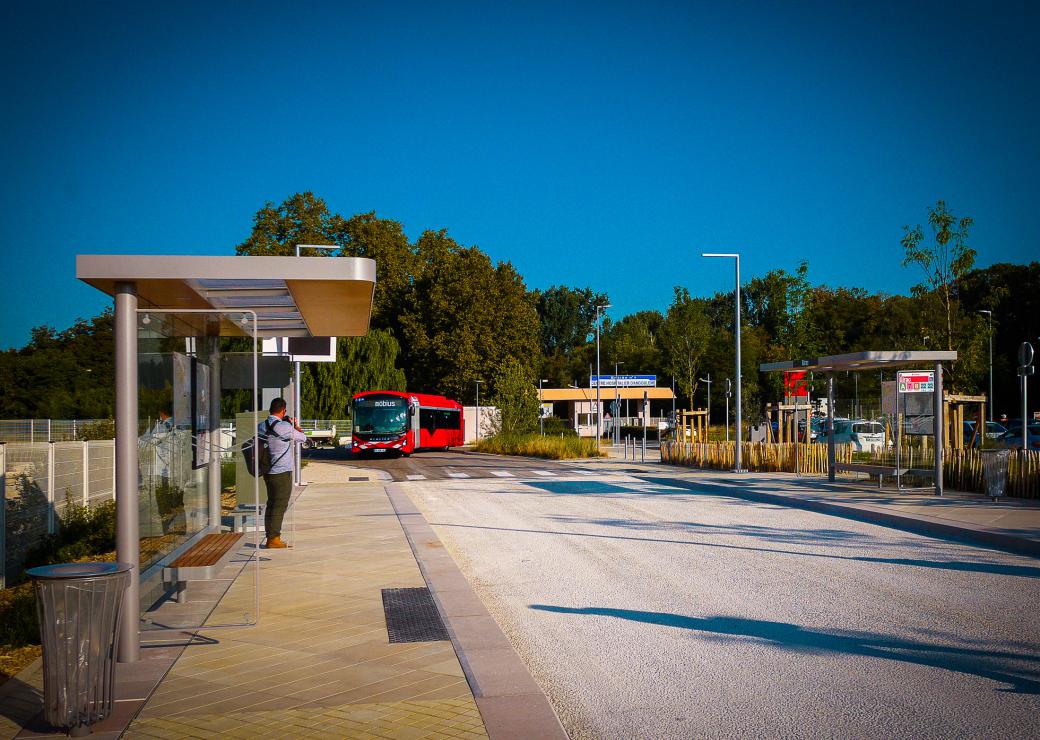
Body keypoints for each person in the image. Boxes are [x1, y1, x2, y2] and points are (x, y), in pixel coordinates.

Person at [259, 398, 306, 549]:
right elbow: (302, 438)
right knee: (280, 504)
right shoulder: (284, 427)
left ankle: (270, 535)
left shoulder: (261, 426)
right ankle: (274, 539)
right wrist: (295, 426)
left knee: (271, 503)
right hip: (281, 472)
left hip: (267, 471)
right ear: (283, 410)